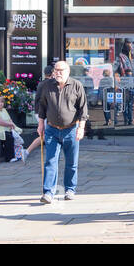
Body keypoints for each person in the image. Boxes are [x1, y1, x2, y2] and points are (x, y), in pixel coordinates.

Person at [35, 59, 87, 203]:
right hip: (52, 129)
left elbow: (83, 109)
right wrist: (41, 124)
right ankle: (48, 193)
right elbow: (42, 107)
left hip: (71, 129)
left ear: (67, 72)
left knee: (71, 162)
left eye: (60, 70)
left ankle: (70, 189)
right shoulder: (47, 86)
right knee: (50, 161)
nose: (57, 73)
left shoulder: (76, 85)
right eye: (55, 70)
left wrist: (81, 128)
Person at [0, 95, 19, 162]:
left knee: (15, 134)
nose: (1, 104)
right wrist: (10, 124)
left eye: (2, 102)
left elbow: (9, 119)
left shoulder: (4, 110)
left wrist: (12, 125)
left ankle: (18, 154)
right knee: (9, 137)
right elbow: (0, 122)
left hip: (5, 129)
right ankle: (9, 158)